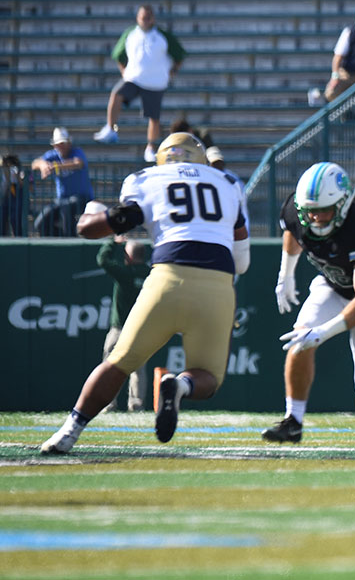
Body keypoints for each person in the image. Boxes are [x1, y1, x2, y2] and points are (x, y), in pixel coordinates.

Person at [40, 132, 250, 454]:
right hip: (217, 283)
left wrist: (97, 216)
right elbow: (242, 261)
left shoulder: (147, 179)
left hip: (167, 278)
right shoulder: (228, 183)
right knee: (208, 377)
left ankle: (68, 432)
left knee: (118, 362)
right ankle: (179, 385)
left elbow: (96, 229)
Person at [263, 162, 355, 459]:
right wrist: (286, 275)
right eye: (310, 211)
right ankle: (293, 421)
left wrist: (323, 332)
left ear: (344, 204)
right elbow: (293, 233)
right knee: (299, 339)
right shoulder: (298, 212)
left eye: (324, 210)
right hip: (330, 286)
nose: (316, 217)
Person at [93, 5, 186, 164]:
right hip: (134, 78)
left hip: (155, 82)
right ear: (138, 18)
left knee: (153, 117)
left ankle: (150, 147)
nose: (146, 20)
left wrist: (173, 71)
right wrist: (123, 70)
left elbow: (179, 54)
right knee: (116, 94)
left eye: (149, 17)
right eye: (143, 17)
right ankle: (110, 128)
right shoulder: (130, 34)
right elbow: (118, 54)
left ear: (153, 18)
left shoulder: (163, 36)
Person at [97, 237, 151, 412]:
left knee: (110, 366)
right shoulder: (151, 275)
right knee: (138, 370)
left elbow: (103, 260)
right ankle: (137, 405)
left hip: (120, 328)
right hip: (141, 330)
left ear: (128, 256)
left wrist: (113, 243)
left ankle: (108, 403)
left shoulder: (125, 273)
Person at [30, 127, 94, 237]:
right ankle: (60, 240)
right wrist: (43, 166)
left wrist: (55, 166)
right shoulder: (52, 155)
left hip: (82, 198)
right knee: (41, 222)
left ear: (69, 143)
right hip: (61, 200)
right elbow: (35, 163)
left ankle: (69, 239)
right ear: (54, 145)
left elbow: (77, 163)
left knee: (67, 208)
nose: (61, 146)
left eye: (63, 143)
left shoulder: (77, 152)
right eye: (58, 144)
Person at [1, 154, 25, 236]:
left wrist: (18, 175)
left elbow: (22, 182)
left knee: (15, 219)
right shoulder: (3, 170)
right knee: (2, 219)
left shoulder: (17, 169)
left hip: (14, 194)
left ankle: (18, 238)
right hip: (4, 197)